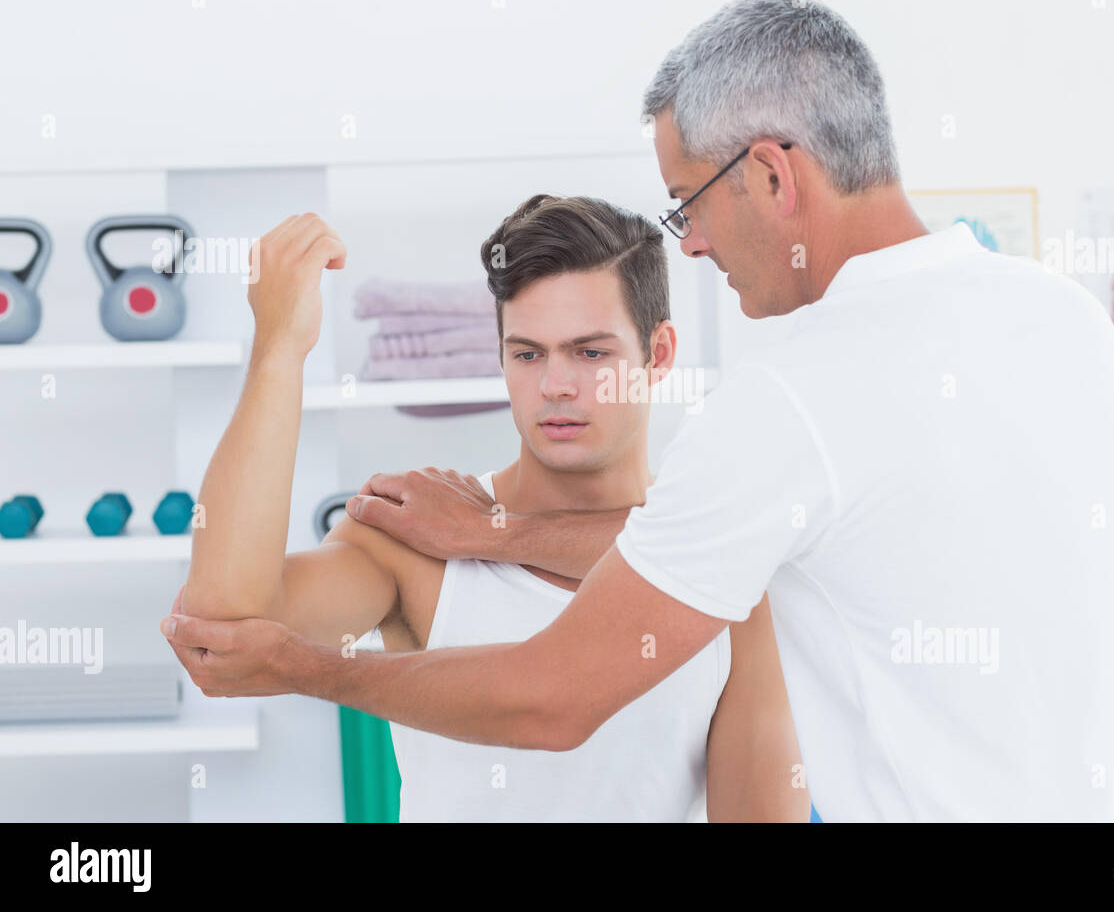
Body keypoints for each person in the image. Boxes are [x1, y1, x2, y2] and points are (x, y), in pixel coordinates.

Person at [163, 0, 1114, 821]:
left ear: (771, 173)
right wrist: (285, 356)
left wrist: (307, 669)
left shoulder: (796, 396)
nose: (696, 240)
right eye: (526, 351)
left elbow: (553, 692)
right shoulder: (1061, 316)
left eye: (690, 201)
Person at [174, 193, 808, 822]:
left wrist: (498, 535)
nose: (556, 385)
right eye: (528, 354)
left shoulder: (730, 584)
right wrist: (278, 348)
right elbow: (225, 624)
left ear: (658, 354)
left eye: (591, 353)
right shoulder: (411, 537)